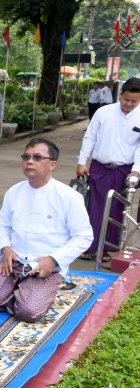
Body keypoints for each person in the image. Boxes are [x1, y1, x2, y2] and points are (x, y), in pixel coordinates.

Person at [0, 139, 93, 322]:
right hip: (14, 261)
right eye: (26, 157)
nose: (30, 161)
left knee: (28, 312)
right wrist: (5, 248)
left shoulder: (69, 197)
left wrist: (53, 260)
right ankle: (19, 289)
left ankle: (29, 291)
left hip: (44, 266)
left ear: (52, 164)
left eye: (37, 157)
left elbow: (84, 236)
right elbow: (2, 225)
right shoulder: (14, 191)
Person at [77, 77, 140, 261]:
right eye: (126, 99)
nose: (129, 104)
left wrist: (136, 170)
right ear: (120, 95)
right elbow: (90, 137)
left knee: (116, 209)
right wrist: (82, 161)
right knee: (94, 207)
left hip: (124, 170)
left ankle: (106, 248)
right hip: (99, 167)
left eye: (134, 101)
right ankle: (89, 247)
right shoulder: (103, 112)